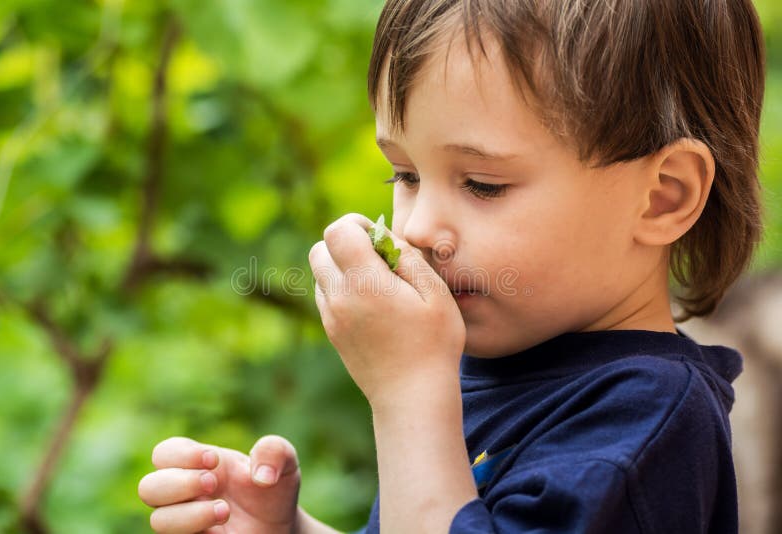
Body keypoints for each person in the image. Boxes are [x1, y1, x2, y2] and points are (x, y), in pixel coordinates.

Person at [137, 0, 766, 532]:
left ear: (662, 197)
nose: (415, 228)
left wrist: (408, 394)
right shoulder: (485, 361)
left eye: (482, 183)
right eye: (405, 174)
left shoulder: (645, 421)